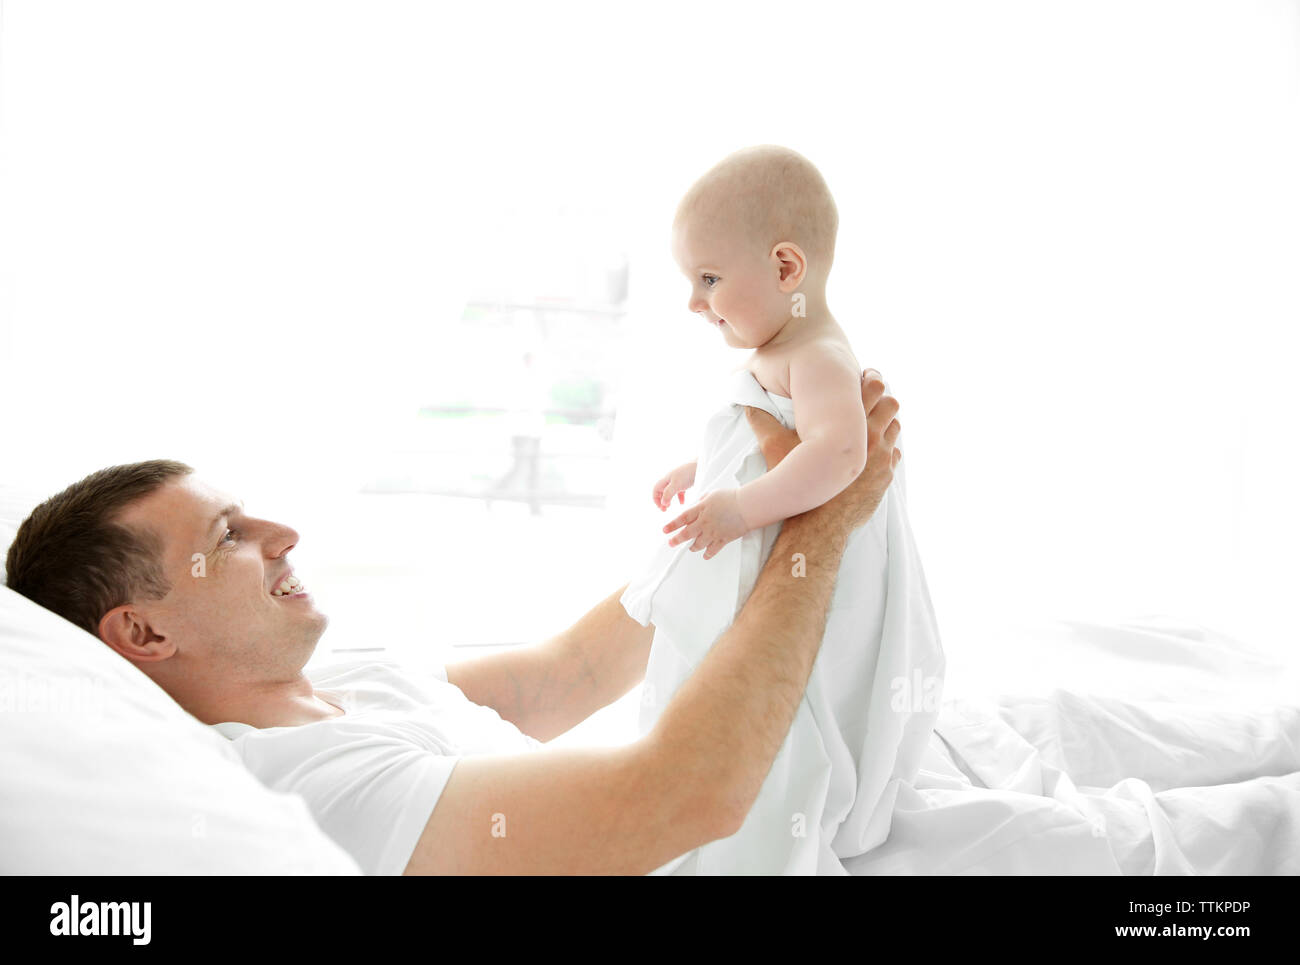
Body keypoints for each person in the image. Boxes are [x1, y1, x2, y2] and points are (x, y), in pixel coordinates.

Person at [3, 372, 902, 875]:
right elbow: (688, 797)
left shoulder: (346, 689)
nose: (283, 536)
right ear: (144, 636)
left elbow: (571, 674)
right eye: (229, 535)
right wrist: (821, 531)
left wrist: (744, 505)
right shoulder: (298, 788)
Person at [620, 145, 944, 872]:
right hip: (784, 557)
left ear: (786, 270)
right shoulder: (781, 344)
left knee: (815, 681)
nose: (695, 303)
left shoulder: (820, 352)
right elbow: (761, 431)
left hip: (826, 570)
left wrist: (738, 507)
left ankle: (800, 787)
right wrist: (704, 470)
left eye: (708, 279)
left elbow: (837, 456)